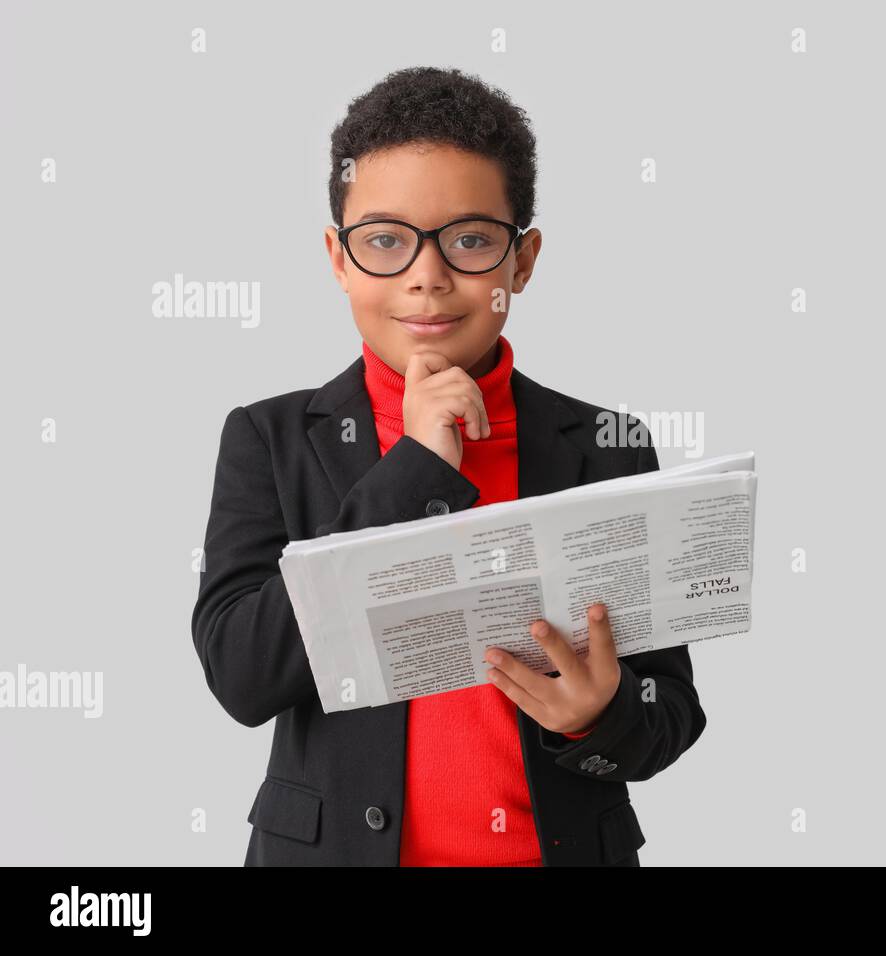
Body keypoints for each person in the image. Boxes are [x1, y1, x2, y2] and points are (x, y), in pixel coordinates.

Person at [191, 66, 707, 866]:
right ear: (338, 257)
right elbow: (242, 674)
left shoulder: (607, 442)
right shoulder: (271, 437)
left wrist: (596, 715)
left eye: (469, 240)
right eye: (385, 241)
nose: (426, 277)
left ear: (522, 261)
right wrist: (410, 473)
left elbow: (669, 709)